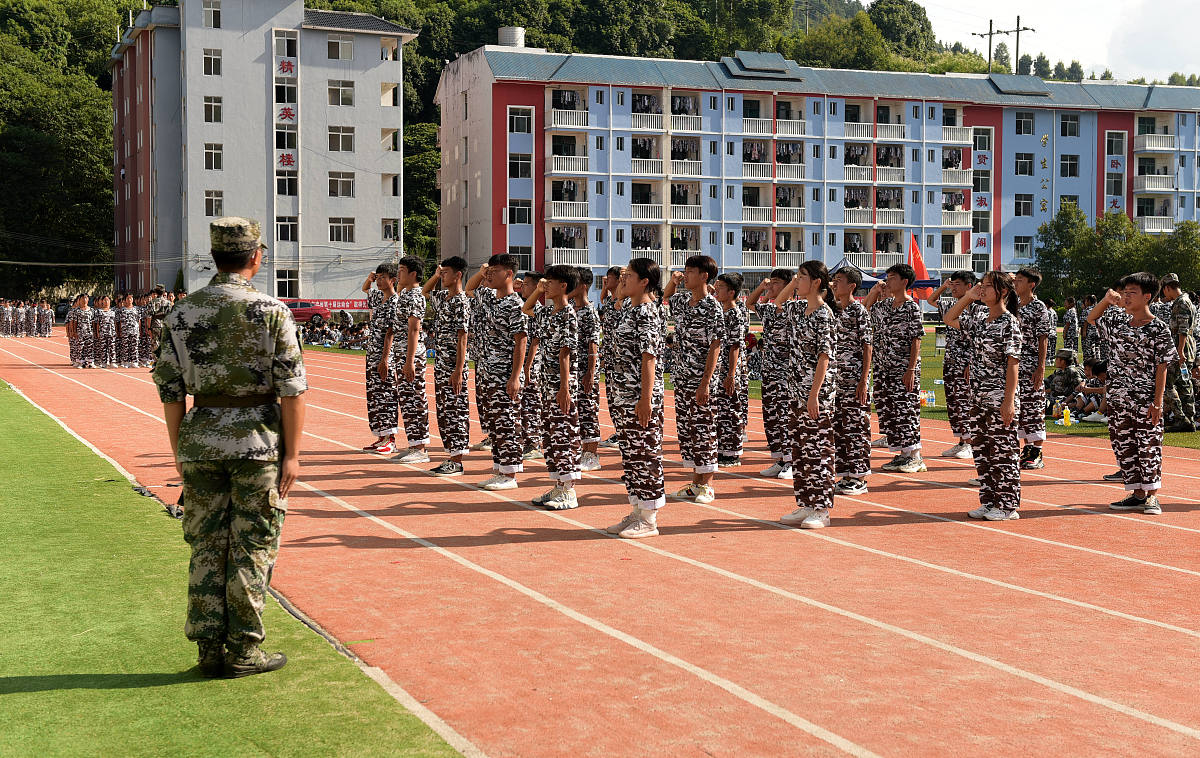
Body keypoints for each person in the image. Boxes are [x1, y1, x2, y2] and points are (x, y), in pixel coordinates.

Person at [152, 216, 307, 678]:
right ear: (256, 258)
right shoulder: (272, 311)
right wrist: (294, 455)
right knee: (252, 545)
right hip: (257, 441)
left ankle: (208, 650)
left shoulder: (181, 312)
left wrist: (182, 450)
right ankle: (243, 651)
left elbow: (170, 390)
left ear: (214, 258)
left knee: (206, 545)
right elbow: (292, 390)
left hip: (200, 440)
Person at [1087, 273, 1176, 514]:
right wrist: (1107, 300)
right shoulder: (1118, 323)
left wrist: (1157, 402)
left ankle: (1151, 496)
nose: (1126, 296)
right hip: (1118, 399)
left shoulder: (1158, 328)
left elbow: (1162, 367)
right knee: (1124, 446)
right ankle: (1137, 493)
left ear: (1147, 296)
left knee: (1148, 446)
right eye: (1124, 292)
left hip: (1144, 400)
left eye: (1132, 292)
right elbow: (1092, 317)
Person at [944, 271, 1023, 521]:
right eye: (983, 286)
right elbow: (949, 317)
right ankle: (989, 501)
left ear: (1003, 292)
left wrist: (1008, 401)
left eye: (988, 286)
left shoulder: (1009, 323)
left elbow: (1013, 364)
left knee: (1003, 454)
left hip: (999, 398)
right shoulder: (981, 321)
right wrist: (968, 296)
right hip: (978, 399)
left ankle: (1007, 505)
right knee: (983, 453)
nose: (983, 290)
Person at [604, 258, 667, 539]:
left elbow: (648, 359)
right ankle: (637, 510)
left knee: (645, 455)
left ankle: (649, 518)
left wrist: (645, 400)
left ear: (644, 281)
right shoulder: (628, 311)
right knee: (631, 456)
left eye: (629, 275)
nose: (623, 279)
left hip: (639, 397)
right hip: (622, 396)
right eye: (623, 274)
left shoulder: (647, 313)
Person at [773, 261, 839, 528]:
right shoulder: (799, 309)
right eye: (796, 277)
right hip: (796, 392)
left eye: (802, 278)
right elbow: (777, 303)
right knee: (800, 451)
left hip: (816, 395)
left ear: (816, 283)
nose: (796, 281)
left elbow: (824, 357)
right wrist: (794, 282)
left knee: (819, 452)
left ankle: (821, 508)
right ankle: (806, 503)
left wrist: (814, 395)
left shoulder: (824, 315)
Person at [465, 255, 529, 490]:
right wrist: (483, 273)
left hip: (504, 375)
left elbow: (521, 341)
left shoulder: (516, 305)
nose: (490, 275)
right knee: (494, 426)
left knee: (507, 423)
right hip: (486, 373)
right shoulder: (490, 299)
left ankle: (510, 473)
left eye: (495, 271)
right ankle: (499, 468)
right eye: (489, 271)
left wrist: (514, 377)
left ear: (509, 274)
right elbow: (469, 288)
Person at [664, 256, 724, 504]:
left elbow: (716, 346)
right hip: (682, 377)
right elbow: (664, 298)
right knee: (688, 431)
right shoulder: (681, 301)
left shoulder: (713, 307)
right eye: (685, 271)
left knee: (704, 429)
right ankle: (695, 482)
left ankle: (707, 484)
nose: (685, 275)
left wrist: (706, 382)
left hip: (701, 379)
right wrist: (673, 280)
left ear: (704, 276)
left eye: (690, 272)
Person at [523, 266, 582, 509]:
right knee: (550, 436)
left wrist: (565, 388)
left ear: (563, 286)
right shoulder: (549, 313)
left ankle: (569, 491)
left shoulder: (569, 315)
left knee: (564, 435)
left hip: (561, 385)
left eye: (550, 282)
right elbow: (526, 309)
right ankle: (558, 486)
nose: (545, 285)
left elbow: (565, 354)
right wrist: (537, 290)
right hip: (548, 385)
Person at [864, 264, 926, 473]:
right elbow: (863, 313)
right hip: (883, 368)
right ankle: (903, 454)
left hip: (902, 370)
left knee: (906, 410)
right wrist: (873, 292)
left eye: (892, 278)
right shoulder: (884, 306)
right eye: (887, 277)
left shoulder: (911, 308)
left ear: (904, 282)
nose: (887, 281)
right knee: (889, 411)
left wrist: (910, 370)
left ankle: (915, 456)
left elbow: (916, 339)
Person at [928, 271, 986, 459]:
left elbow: (978, 339)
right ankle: (961, 440)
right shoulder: (951, 305)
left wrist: (971, 362)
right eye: (952, 284)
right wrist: (944, 286)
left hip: (967, 362)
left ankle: (970, 443)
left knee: (965, 402)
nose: (953, 288)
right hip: (951, 360)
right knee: (953, 403)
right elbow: (930, 300)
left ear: (970, 286)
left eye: (957, 284)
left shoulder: (978, 309)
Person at [424, 257, 472, 476]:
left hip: (454, 365)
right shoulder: (443, 297)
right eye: (441, 273)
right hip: (442, 364)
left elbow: (463, 337)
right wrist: (435, 275)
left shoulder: (461, 302)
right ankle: (451, 455)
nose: (442, 276)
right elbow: (425, 292)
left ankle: (457, 460)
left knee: (456, 411)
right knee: (444, 412)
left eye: (445, 273)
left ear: (458, 275)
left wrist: (459, 369)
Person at [831, 266, 873, 495]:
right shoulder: (832, 310)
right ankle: (846, 475)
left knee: (856, 428)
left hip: (853, 380)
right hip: (835, 382)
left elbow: (868, 346)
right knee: (839, 429)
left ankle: (859, 476)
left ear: (852, 286)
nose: (835, 284)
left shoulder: (859, 311)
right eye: (834, 280)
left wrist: (864, 380)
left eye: (839, 280)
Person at [391, 256, 432, 464]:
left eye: (402, 270)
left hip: (411, 356)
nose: (398, 274)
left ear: (413, 274)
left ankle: (421, 447)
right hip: (401, 354)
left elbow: (414, 329)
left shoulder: (416, 296)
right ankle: (413, 444)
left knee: (416, 400)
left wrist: (409, 361)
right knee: (406, 400)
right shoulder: (405, 295)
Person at [1013, 267, 1052, 470]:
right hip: (1014, 366)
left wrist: (1041, 368)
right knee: (1019, 408)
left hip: (1031, 366)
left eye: (1020, 280)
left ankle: (1036, 452)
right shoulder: (1014, 305)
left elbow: (1043, 338)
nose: (1016, 283)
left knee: (1034, 407)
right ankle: (1026, 449)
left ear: (1031, 284)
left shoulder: (1039, 307)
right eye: (1015, 280)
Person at [361, 264, 401, 454]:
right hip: (372, 355)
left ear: (392, 280)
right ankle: (381, 436)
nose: (378, 280)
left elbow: (391, 332)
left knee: (386, 395)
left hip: (385, 357)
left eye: (382, 277)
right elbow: (365, 289)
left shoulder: (395, 302)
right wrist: (370, 278)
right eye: (377, 277)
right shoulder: (378, 298)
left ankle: (390, 439)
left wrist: (385, 359)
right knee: (375, 396)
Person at [713, 272, 748, 467]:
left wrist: (731, 374)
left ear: (732, 292)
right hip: (722, 369)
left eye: (721, 288)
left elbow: (735, 346)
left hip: (731, 369)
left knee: (732, 411)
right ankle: (722, 449)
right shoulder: (722, 311)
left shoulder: (734, 313)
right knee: (723, 411)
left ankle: (732, 453)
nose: (717, 290)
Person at [571, 267, 603, 472]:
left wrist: (591, 372)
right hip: (575, 369)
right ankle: (583, 451)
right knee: (580, 412)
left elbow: (593, 344)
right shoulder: (573, 311)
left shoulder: (589, 312)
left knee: (589, 411)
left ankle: (592, 455)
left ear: (583, 286)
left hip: (585, 370)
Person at [1159, 274, 1196, 433]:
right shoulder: (1188, 301)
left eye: (1164, 291)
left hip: (1181, 348)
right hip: (1188, 348)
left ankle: (1181, 419)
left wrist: (1179, 352)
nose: (1164, 294)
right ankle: (1190, 419)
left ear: (1168, 288)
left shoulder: (1180, 303)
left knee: (1166, 383)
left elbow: (1182, 330)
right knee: (1184, 384)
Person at [516, 271, 546, 461]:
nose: (523, 287)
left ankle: (534, 443)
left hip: (532, 364)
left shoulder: (537, 309)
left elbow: (535, 339)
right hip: (527, 363)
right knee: (525, 404)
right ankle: (528, 440)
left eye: (527, 284)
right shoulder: (526, 306)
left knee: (531, 404)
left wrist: (527, 366)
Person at [597, 266, 623, 450]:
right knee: (612, 400)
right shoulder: (608, 301)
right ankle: (618, 431)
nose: (606, 280)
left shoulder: (624, 301)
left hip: (622, 358)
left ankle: (623, 433)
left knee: (621, 399)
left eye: (609, 278)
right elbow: (603, 298)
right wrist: (606, 287)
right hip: (611, 357)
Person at [1044, 349, 1085, 416]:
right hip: (1054, 399)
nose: (1055, 361)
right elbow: (1047, 381)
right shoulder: (1060, 371)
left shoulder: (1071, 371)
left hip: (1062, 401)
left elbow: (1079, 387)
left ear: (1063, 361)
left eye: (1057, 359)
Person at [66, 294, 95, 368]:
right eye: (82, 298)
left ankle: (90, 362)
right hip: (80, 332)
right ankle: (80, 362)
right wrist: (74, 332)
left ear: (88, 300)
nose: (84, 300)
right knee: (80, 347)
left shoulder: (91, 310)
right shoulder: (76, 311)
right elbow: (74, 322)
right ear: (80, 300)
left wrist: (94, 331)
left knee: (90, 347)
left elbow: (93, 322)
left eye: (86, 298)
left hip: (89, 332)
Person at [93, 295, 117, 368]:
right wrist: (97, 332)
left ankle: (112, 361)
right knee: (103, 348)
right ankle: (103, 362)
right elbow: (96, 323)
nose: (106, 302)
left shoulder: (112, 312)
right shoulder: (98, 312)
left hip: (111, 332)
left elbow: (115, 322)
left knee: (112, 347)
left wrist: (115, 331)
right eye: (105, 300)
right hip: (102, 332)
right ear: (102, 302)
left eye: (108, 300)